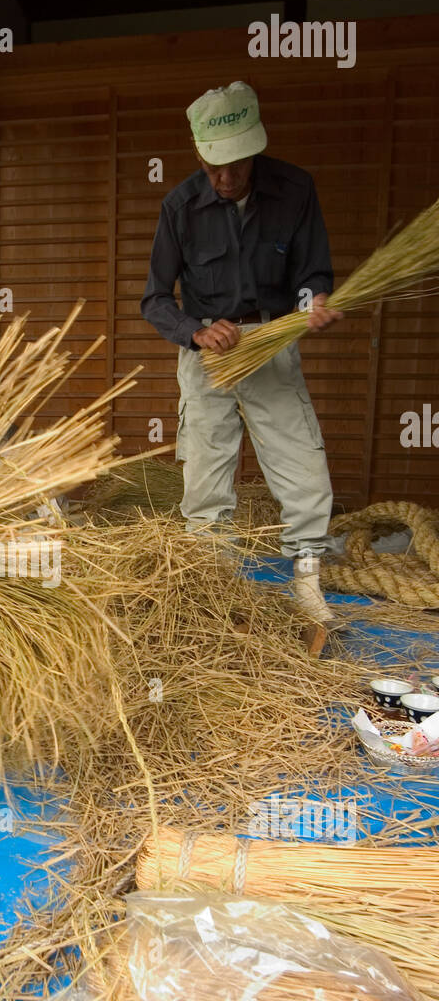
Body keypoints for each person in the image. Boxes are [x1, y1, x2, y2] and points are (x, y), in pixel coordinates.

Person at [140, 81, 342, 624]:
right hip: (208, 350)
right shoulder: (179, 207)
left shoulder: (296, 191)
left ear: (255, 148)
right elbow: (155, 299)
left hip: (272, 340)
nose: (225, 179)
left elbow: (312, 274)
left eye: (236, 165)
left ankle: (307, 587)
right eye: (214, 167)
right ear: (199, 154)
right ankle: (211, 601)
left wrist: (311, 303)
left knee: (304, 473)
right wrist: (195, 332)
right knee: (205, 485)